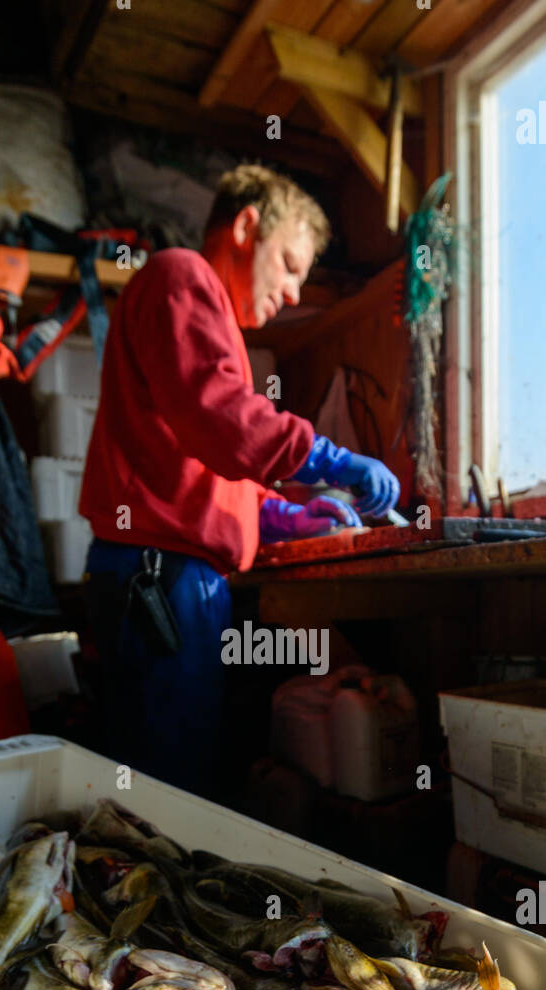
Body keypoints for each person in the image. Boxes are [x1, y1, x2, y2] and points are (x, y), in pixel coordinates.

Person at [79, 163, 400, 797]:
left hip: (172, 578)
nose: (291, 294)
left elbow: (218, 469)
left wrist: (289, 517)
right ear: (246, 226)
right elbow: (223, 419)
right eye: (287, 265)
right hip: (159, 581)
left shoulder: (209, 319)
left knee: (172, 777)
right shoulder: (181, 275)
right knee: (163, 789)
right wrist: (333, 459)